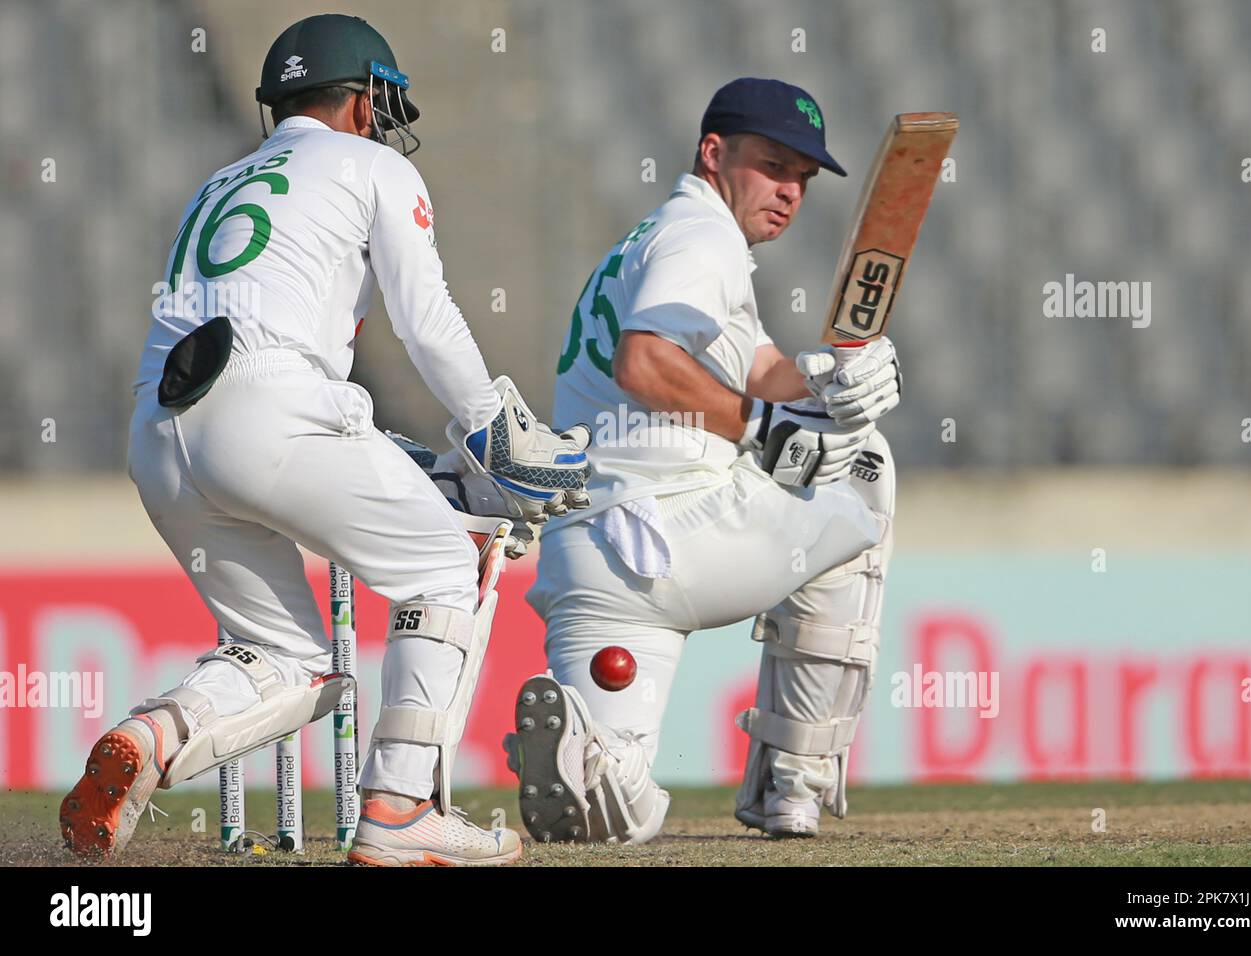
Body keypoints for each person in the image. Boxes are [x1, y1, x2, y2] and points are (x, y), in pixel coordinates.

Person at [59, 13, 589, 866]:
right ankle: (400, 811)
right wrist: (493, 427)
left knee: (287, 658)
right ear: (365, 97)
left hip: (158, 432)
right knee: (445, 568)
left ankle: (153, 735)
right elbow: (428, 320)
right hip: (271, 407)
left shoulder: (218, 180)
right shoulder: (370, 163)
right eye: (383, 103)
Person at [505, 78, 900, 843]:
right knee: (861, 467)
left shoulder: (659, 238)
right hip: (676, 532)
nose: (789, 192)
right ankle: (796, 774)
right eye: (773, 165)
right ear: (713, 153)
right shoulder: (702, 237)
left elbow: (765, 376)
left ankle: (596, 757)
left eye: (802, 179)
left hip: (585, 559)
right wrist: (764, 428)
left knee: (614, 807)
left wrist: (837, 373)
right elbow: (645, 362)